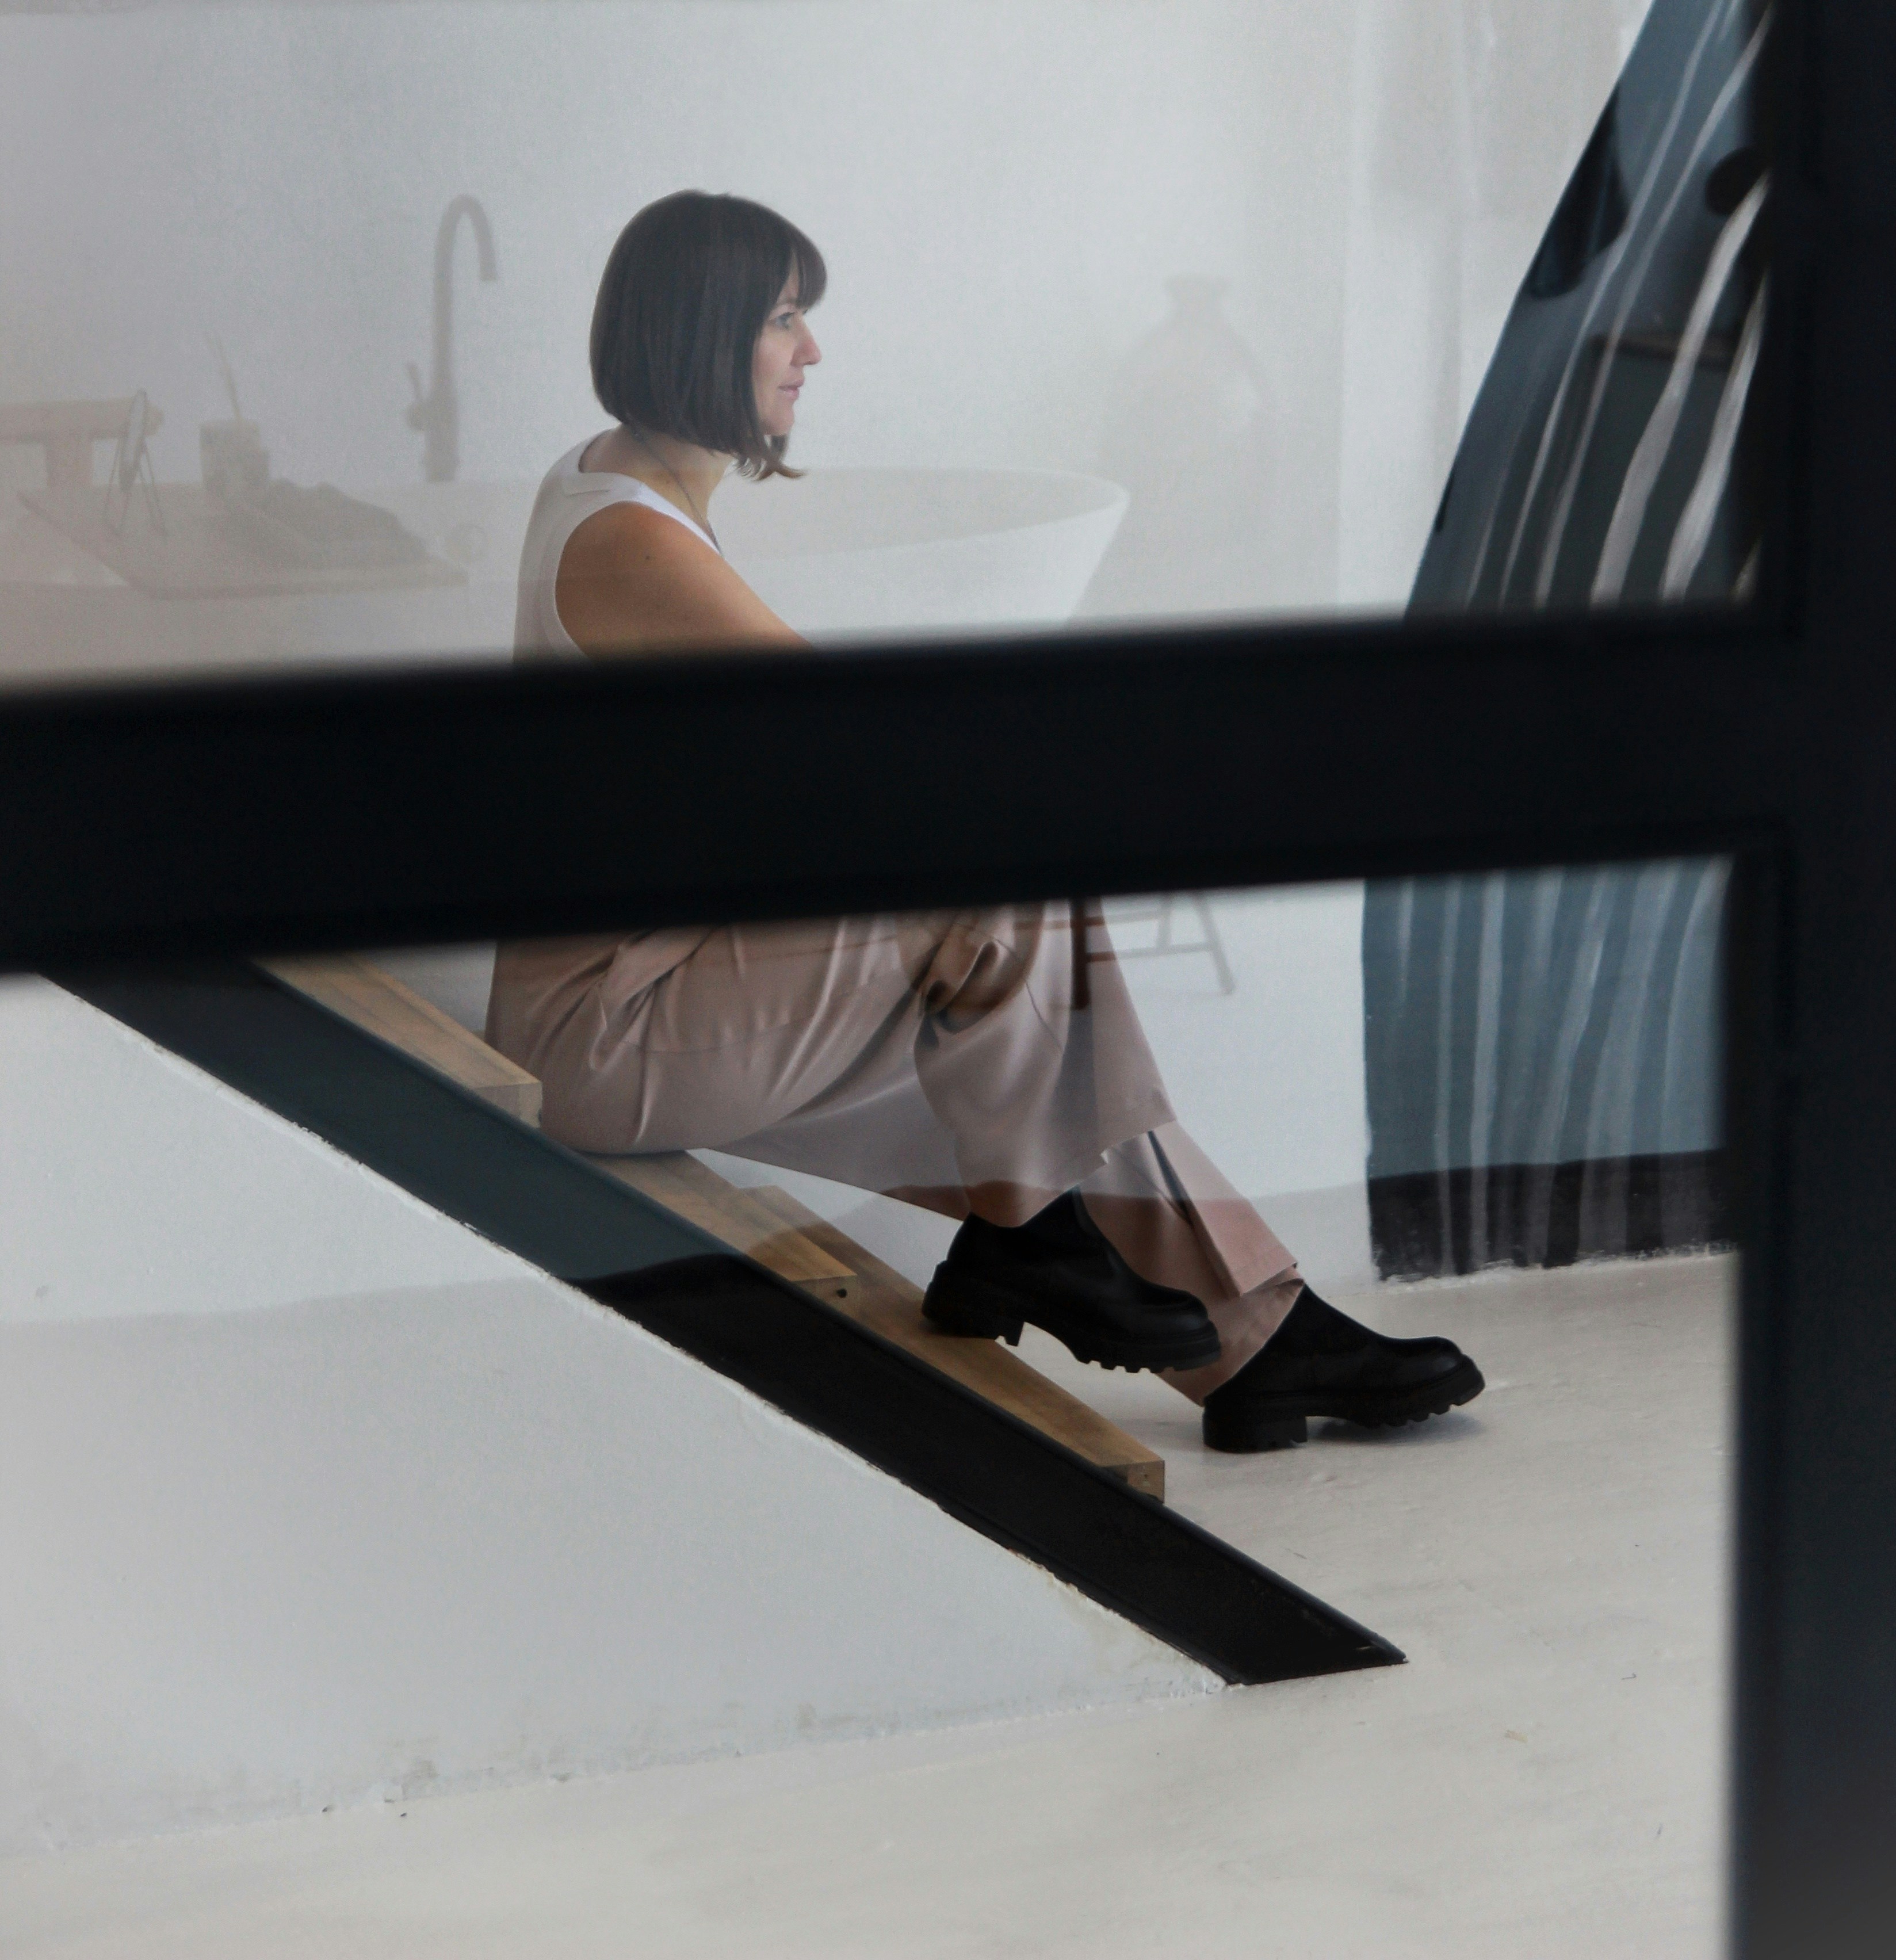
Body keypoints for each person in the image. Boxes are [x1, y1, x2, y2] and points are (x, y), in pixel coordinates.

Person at [488, 188, 1484, 1453]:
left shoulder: (619, 488)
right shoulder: (630, 539)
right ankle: (1053, 1247)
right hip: (608, 1038)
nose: (812, 353)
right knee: (1005, 905)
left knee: (1051, 1029)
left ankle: (1229, 1329)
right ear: (705, 329)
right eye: (785, 319)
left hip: (666, 987)